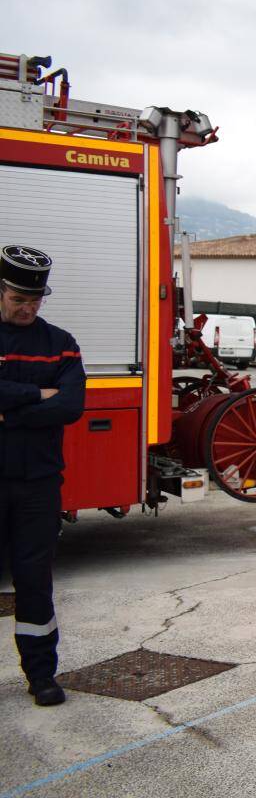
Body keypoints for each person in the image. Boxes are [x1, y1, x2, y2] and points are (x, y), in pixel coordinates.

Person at [0, 244, 85, 707]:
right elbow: (51, 401)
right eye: (18, 299)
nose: (27, 308)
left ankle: (41, 675)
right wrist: (38, 394)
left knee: (34, 580)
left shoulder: (60, 343)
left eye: (34, 301)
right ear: (1, 290)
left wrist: (10, 411)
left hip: (38, 485)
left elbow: (70, 405)